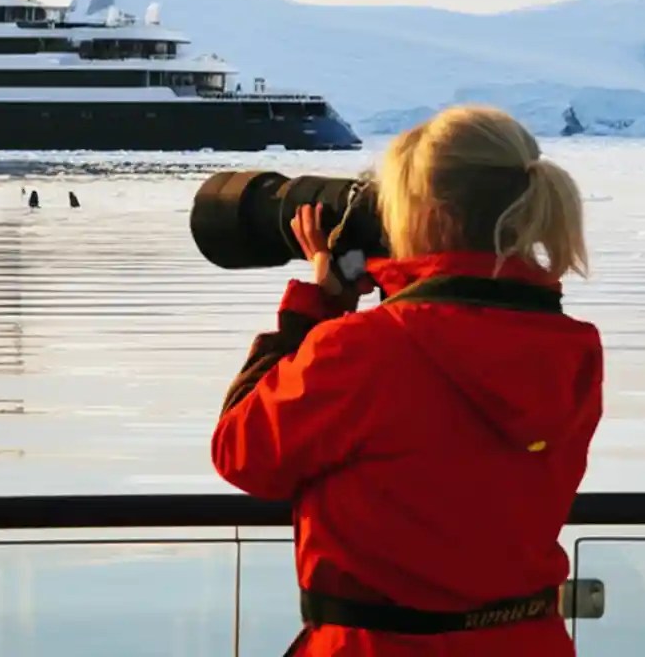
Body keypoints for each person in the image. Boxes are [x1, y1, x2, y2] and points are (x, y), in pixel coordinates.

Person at [211, 104, 604, 657]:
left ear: (431, 215)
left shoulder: (362, 350)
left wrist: (312, 314)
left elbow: (242, 452)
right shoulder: (572, 348)